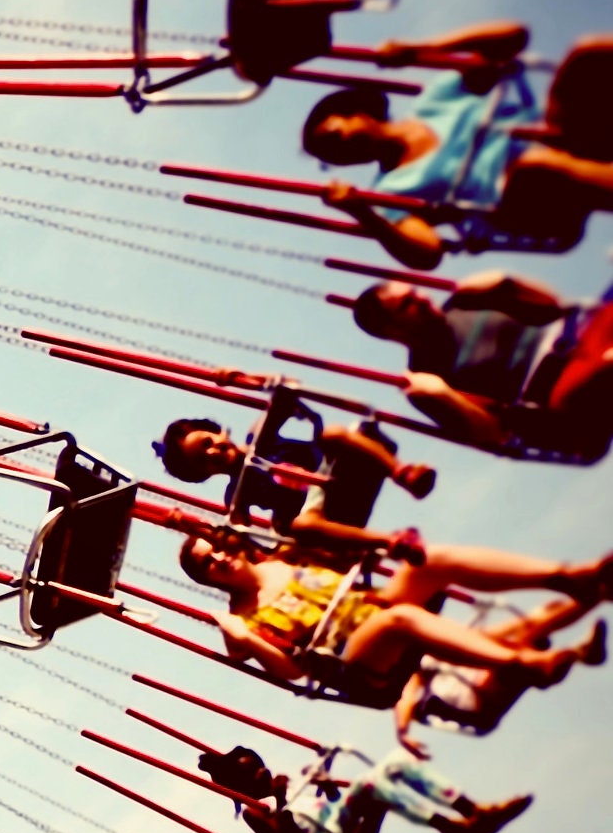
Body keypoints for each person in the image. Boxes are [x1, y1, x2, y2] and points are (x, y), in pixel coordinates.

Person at [176, 529, 609, 702]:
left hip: (373, 604)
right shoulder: (242, 622)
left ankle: (569, 578)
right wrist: (242, 635)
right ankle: (526, 663)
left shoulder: (284, 555)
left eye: (214, 547)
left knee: (433, 560)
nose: (217, 558)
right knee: (399, 620)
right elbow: (289, 671)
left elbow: (321, 519)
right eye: (206, 563)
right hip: (354, 658)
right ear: (208, 580)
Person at [304, 24, 613, 262]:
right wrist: (362, 212)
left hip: (553, 136)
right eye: (331, 156)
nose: (339, 153)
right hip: (522, 200)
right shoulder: (390, 192)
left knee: (589, 56)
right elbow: (428, 252)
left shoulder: (435, 101)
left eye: (334, 138)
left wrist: (421, 50)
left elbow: (512, 36)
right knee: (541, 167)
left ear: (357, 113)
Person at [350, 273, 613, 463]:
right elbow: (494, 434)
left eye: (416, 291)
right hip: (559, 388)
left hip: (584, 334)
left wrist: (506, 284)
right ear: (391, 331)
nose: (422, 298)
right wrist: (445, 396)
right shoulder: (426, 381)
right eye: (407, 303)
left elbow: (553, 305)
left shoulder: (464, 302)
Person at [152, 411, 433, 561]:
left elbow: (284, 400)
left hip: (339, 469)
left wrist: (257, 385)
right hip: (328, 509)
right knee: (295, 528)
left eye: (208, 442)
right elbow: (238, 538)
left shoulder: (259, 437)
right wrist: (194, 527)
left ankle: (402, 473)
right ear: (204, 476)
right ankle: (393, 542)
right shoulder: (237, 492)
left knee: (331, 433)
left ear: (218, 430)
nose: (213, 452)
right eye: (203, 461)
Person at [197, 739, 528, 833]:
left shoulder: (287, 785)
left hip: (335, 821)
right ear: (243, 786)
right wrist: (282, 797)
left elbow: (329, 805)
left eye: (259, 764)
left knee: (396, 761)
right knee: (374, 784)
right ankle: (451, 827)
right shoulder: (256, 811)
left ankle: (469, 812)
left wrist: (327, 788)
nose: (263, 772)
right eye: (254, 773)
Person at [397, 595, 597, 744]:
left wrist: (531, 620)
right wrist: (403, 731)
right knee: (514, 659)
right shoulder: (412, 667)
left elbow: (481, 637)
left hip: (480, 671)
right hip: (469, 698)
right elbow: (405, 698)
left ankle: (594, 598)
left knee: (531, 631)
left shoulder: (437, 641)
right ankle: (591, 608)